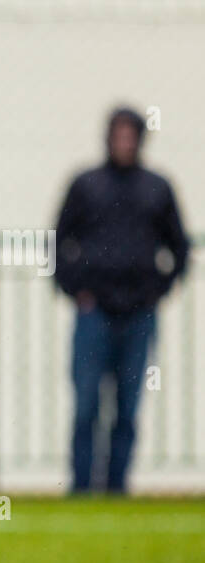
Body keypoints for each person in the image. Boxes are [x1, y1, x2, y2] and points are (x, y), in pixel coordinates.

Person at [55, 107, 189, 494]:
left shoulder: (157, 188)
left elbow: (178, 247)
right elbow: (59, 241)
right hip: (93, 313)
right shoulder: (86, 185)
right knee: (86, 405)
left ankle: (116, 488)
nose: (124, 143)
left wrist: (157, 291)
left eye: (131, 136)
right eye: (118, 135)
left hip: (139, 314)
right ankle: (81, 488)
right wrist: (75, 289)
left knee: (128, 408)